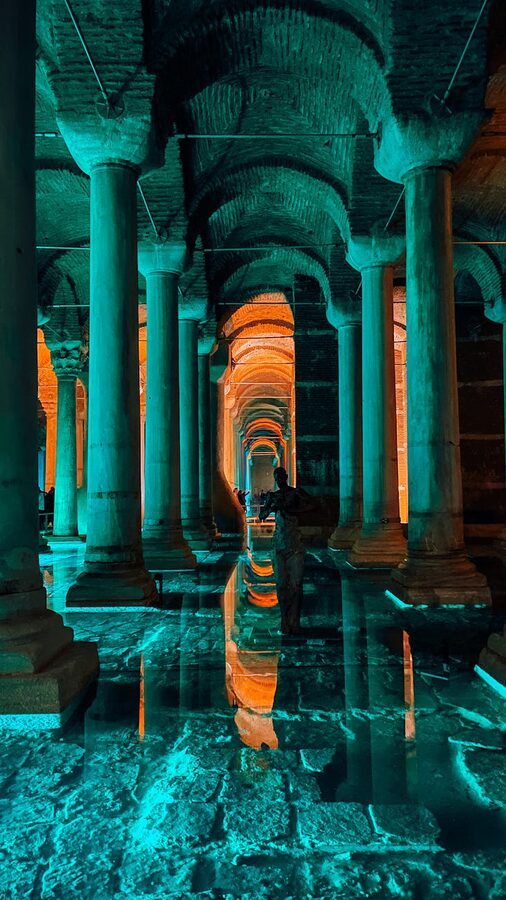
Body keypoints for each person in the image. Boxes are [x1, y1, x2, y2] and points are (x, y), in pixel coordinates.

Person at [259, 467, 311, 635]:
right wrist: (272, 506)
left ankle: (294, 620)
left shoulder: (296, 493)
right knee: (281, 585)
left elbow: (313, 506)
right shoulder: (273, 496)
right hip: (279, 544)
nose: (279, 480)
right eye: (277, 477)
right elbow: (262, 516)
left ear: (286, 477)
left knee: (296, 585)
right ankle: (284, 618)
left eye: (281, 476)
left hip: (295, 544)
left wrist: (292, 510)